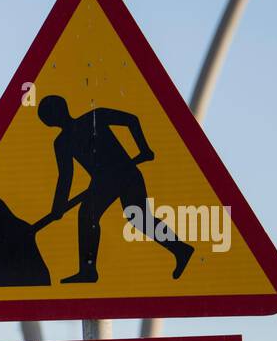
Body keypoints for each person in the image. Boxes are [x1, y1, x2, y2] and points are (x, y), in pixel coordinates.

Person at [37, 94, 194, 284]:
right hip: (109, 179)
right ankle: (180, 249)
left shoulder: (93, 118)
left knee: (108, 217)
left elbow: (131, 120)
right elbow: (65, 177)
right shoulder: (64, 141)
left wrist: (144, 147)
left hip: (122, 173)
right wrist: (58, 207)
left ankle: (89, 270)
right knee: (118, 217)